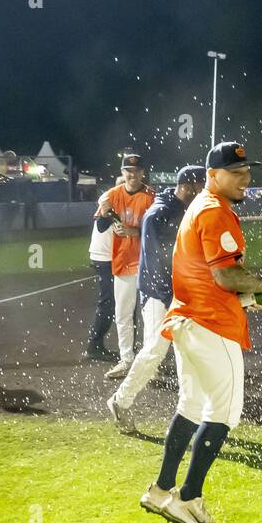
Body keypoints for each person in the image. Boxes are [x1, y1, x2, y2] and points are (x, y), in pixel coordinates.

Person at [140, 142, 262, 523]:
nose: (246, 178)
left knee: (191, 404)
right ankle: (188, 499)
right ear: (213, 176)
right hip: (210, 325)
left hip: (189, 318)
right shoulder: (214, 211)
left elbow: (219, 281)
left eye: (247, 171)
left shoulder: (203, 207)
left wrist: (258, 295)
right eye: (236, 172)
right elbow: (225, 277)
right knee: (225, 412)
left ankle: (161, 489)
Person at [107, 165, 206, 431]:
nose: (204, 191)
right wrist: (170, 299)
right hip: (156, 294)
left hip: (177, 293)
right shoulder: (158, 214)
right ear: (188, 186)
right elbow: (153, 263)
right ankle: (120, 401)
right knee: (155, 349)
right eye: (201, 186)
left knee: (187, 349)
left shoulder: (186, 209)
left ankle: (190, 413)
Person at [95, 154, 155, 374]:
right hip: (122, 261)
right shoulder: (112, 195)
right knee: (123, 313)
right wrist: (104, 212)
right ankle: (126, 360)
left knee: (149, 315)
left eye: (136, 170)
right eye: (128, 170)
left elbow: (159, 232)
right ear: (122, 173)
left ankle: (150, 362)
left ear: (142, 173)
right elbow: (101, 227)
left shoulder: (151, 197)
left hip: (147, 263)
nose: (132, 174)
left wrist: (134, 231)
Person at [84, 176, 122, 362]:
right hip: (105, 258)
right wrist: (108, 213)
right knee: (109, 302)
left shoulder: (111, 201)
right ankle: (94, 346)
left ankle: (99, 345)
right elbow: (101, 225)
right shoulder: (110, 201)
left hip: (106, 257)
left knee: (115, 302)